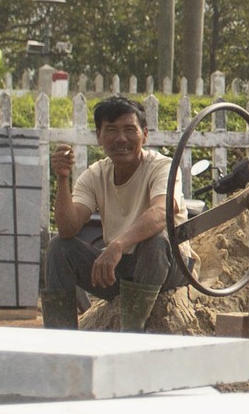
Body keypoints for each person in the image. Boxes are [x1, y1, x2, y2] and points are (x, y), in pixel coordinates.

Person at [44, 95, 191, 331]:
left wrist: (118, 245)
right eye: (111, 130)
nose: (121, 138)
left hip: (171, 266)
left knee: (156, 241)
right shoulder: (95, 175)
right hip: (122, 270)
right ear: (99, 137)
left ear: (144, 134)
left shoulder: (161, 166)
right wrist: (62, 178)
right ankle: (61, 339)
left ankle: (131, 334)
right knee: (58, 248)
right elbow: (67, 228)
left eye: (129, 130)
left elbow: (162, 211)